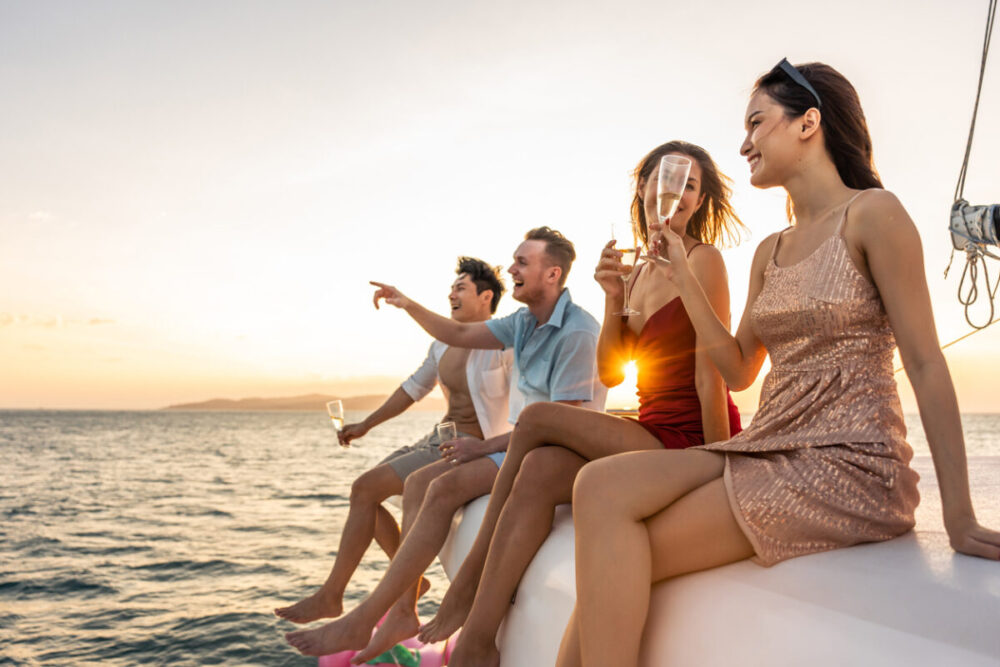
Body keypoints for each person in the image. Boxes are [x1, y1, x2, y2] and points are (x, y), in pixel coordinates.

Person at [557, 60, 1000, 667]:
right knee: (598, 486)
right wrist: (684, 277)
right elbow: (739, 371)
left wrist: (960, 516)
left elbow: (925, 363)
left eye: (756, 123)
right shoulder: (771, 249)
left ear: (808, 123)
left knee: (623, 551)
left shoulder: (874, 214)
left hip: (848, 462)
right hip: (770, 445)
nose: (742, 144)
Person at [423, 141, 748, 667]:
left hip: (690, 436)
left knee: (537, 417)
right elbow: (612, 372)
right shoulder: (638, 272)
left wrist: (721, 465)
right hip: (651, 423)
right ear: (643, 187)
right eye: (667, 180)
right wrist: (614, 297)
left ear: (700, 198)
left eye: (691, 185)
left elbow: (712, 380)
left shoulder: (703, 260)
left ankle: (467, 586)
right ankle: (479, 642)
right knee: (542, 468)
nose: (679, 194)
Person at [284, 226, 606, 659]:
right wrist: (407, 303)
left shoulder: (576, 332)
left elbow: (562, 423)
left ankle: (369, 617)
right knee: (412, 486)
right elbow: (452, 342)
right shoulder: (523, 324)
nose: (511, 267)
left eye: (522, 262)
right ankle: (397, 607)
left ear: (552, 274)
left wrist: (485, 447)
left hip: (546, 451)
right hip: (514, 444)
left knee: (438, 487)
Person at [274, 257, 512, 626]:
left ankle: (336, 596)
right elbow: (413, 388)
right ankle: (407, 586)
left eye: (460, 287)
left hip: (471, 446)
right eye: (451, 287)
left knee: (366, 487)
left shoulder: (503, 342)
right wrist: (366, 424)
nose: (451, 293)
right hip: (438, 437)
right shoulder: (442, 345)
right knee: (363, 493)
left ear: (486, 296)